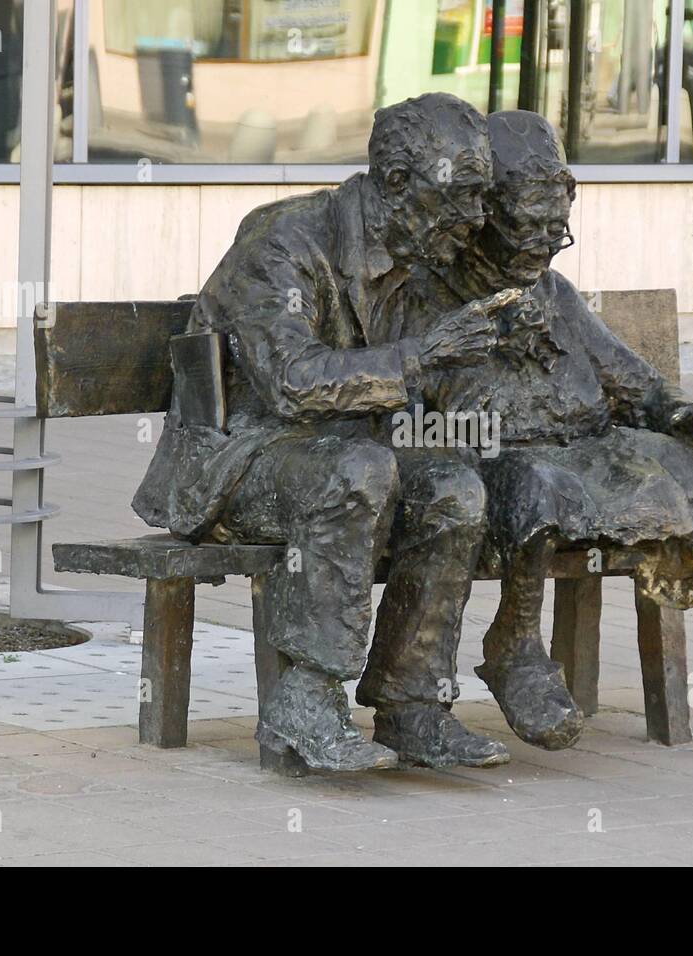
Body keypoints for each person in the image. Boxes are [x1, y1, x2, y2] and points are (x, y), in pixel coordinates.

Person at [388, 111, 693, 747]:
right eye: (528, 227)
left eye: (556, 229)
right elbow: (408, 409)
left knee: (683, 466)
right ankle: (516, 647)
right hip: (493, 465)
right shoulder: (425, 293)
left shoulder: (554, 293)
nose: (546, 244)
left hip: (587, 453)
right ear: (482, 213)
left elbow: (636, 384)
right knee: (536, 483)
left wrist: (683, 412)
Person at [132, 94, 511, 772]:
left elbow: (421, 395)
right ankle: (307, 697)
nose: (477, 217)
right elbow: (292, 382)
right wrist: (420, 358)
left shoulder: (422, 253)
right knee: (358, 471)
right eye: (463, 196)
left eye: (482, 197)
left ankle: (411, 701)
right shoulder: (284, 241)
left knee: (454, 489)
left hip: (347, 450)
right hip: (237, 457)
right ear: (397, 182)